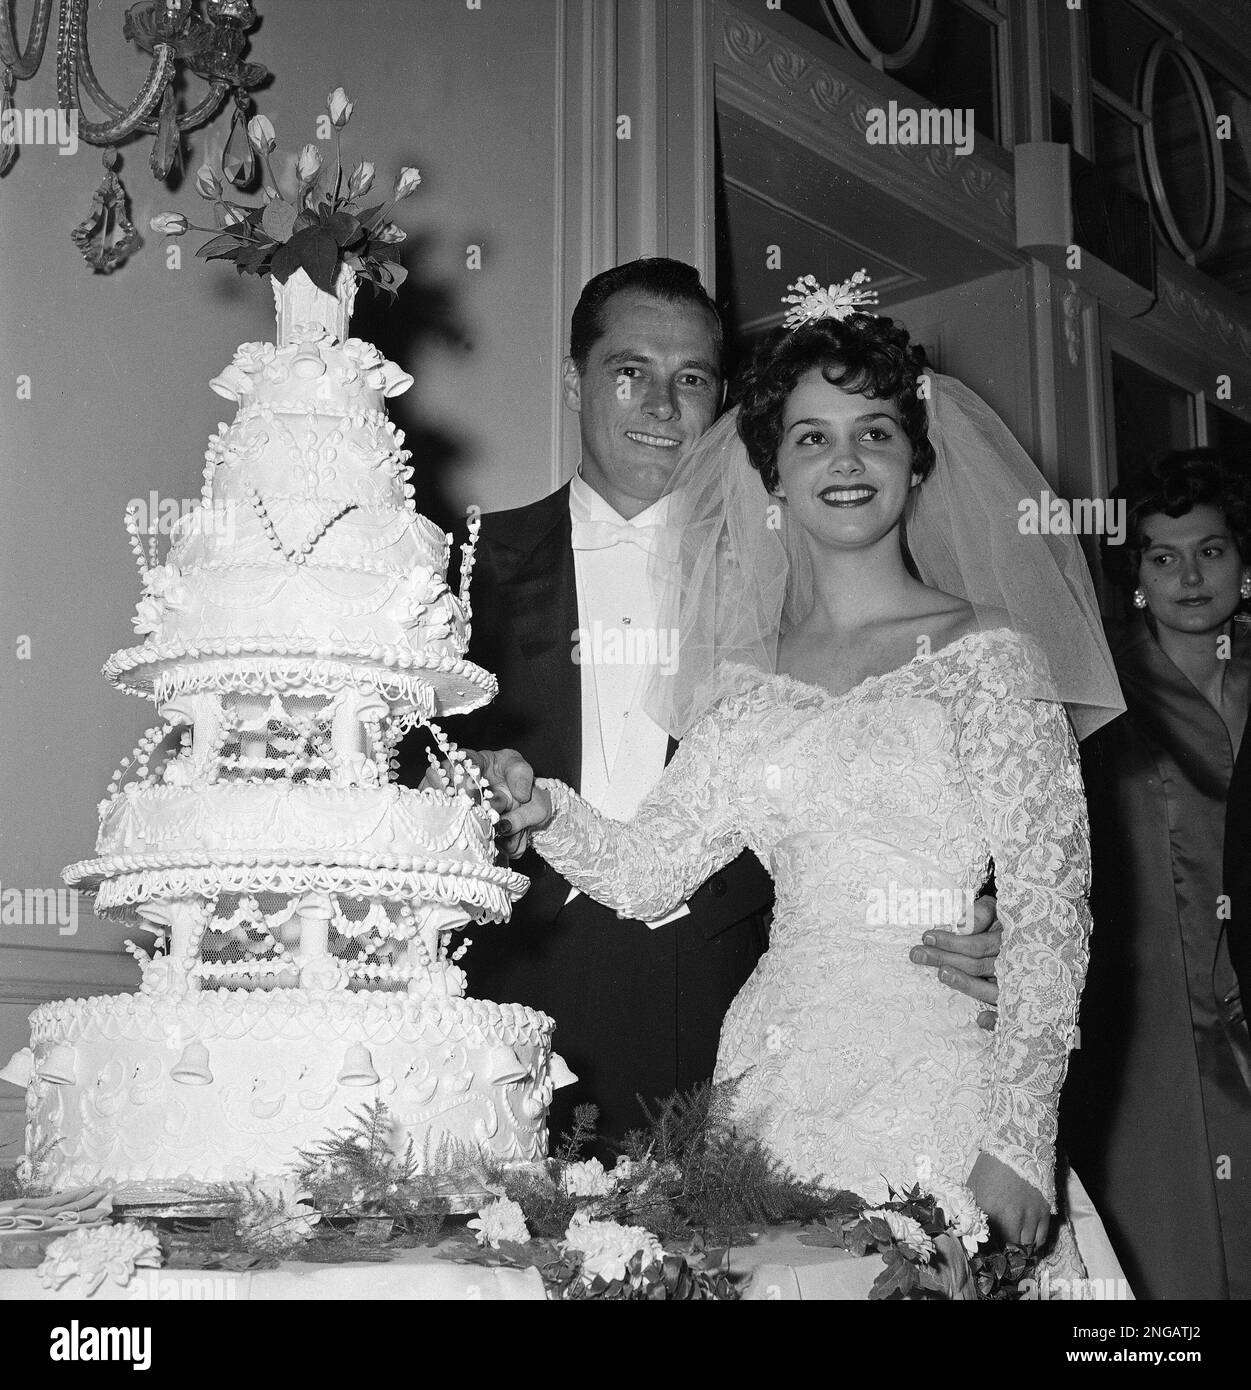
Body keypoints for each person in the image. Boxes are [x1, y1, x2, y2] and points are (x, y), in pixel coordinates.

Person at [479, 276, 1125, 1248]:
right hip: (771, 1087)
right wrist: (543, 810)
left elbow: (1051, 907)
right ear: (773, 470)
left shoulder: (992, 658)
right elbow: (651, 863)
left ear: (918, 459)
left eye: (875, 431)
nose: (846, 460)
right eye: (812, 436)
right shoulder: (748, 683)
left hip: (940, 1083)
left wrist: (1022, 1137)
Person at [425, 258, 1001, 1150]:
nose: (662, 405)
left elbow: (909, 759)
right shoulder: (461, 567)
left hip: (738, 1000)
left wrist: (987, 917)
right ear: (576, 382)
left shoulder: (802, 572)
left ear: (722, 400)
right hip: (509, 984)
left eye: (690, 378)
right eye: (630, 372)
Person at [1063, 450, 1251, 1299]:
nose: (1187, 575)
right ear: (1132, 573)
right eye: (1160, 556)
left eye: (1209, 550)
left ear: (1242, 564)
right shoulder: (1091, 689)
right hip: (1146, 1016)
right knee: (1166, 1250)